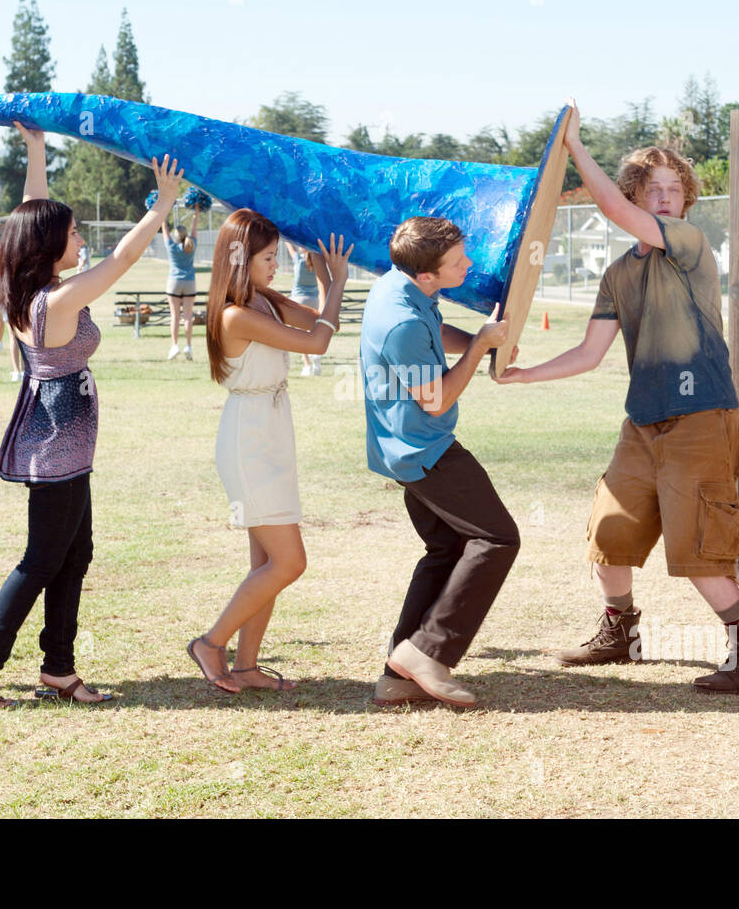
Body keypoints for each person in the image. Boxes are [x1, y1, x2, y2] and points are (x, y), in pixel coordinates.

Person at [495, 102, 739, 694]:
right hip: (642, 423)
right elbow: (588, 354)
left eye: (675, 189)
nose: (666, 198)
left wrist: (574, 148)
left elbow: (608, 207)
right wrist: (525, 376)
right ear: (637, 193)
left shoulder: (689, 244)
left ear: (686, 200)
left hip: (701, 414)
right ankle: (619, 632)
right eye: (653, 189)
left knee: (699, 545)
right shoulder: (618, 273)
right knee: (611, 531)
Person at [0, 125, 183, 709]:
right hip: (55, 442)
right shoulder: (56, 301)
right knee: (42, 558)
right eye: (73, 232)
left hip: (63, 442)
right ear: (51, 244)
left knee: (73, 554)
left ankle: (58, 668)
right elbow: (125, 257)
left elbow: (31, 213)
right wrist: (162, 204)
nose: (80, 238)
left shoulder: (31, 284)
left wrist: (36, 151)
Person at [188, 210, 351, 693]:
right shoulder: (236, 314)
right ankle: (210, 642)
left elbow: (321, 321)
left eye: (276, 255)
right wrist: (339, 280)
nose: (274, 264)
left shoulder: (263, 300)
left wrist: (324, 275)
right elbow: (318, 343)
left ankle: (246, 665)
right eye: (266, 257)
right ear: (240, 260)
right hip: (249, 439)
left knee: (265, 565)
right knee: (288, 562)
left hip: (271, 429)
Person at [360, 216, 519, 709]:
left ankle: (398, 673)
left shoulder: (402, 286)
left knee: (447, 548)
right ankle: (427, 652)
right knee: (497, 538)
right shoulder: (401, 320)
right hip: (424, 450)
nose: (468, 264)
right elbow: (436, 398)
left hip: (408, 446)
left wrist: (480, 334)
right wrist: (479, 347)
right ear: (428, 274)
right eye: (457, 262)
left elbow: (434, 333)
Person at [163, 206, 199, 361]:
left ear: (176, 236)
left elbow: (163, 226)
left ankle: (175, 345)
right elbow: (194, 228)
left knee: (175, 316)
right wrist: (196, 214)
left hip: (174, 283)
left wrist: (162, 212)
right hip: (189, 282)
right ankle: (189, 346)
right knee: (188, 316)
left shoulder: (171, 247)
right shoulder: (191, 245)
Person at [285, 241, 323, 376]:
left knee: (301, 334)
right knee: (314, 330)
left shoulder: (299, 261)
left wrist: (286, 236)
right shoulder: (317, 264)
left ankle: (307, 364)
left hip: (299, 300)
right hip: (315, 300)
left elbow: (290, 246)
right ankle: (316, 356)